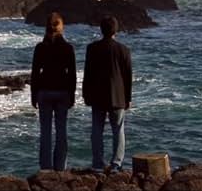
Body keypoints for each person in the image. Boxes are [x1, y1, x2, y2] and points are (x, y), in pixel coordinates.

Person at [83, 16, 132, 173]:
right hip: (118, 96)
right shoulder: (124, 50)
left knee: (97, 130)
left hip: (97, 95)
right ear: (116, 30)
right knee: (118, 130)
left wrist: (85, 94)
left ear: (101, 30)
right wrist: (128, 98)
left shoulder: (92, 48)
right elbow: (127, 76)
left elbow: (87, 74)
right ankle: (116, 163)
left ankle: (98, 163)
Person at [31, 12, 76, 171]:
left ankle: (45, 168)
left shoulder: (40, 47)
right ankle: (60, 168)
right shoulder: (68, 48)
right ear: (61, 27)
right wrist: (72, 95)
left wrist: (33, 95)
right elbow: (72, 74)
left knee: (45, 133)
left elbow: (35, 73)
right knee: (61, 133)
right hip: (63, 91)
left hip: (44, 91)